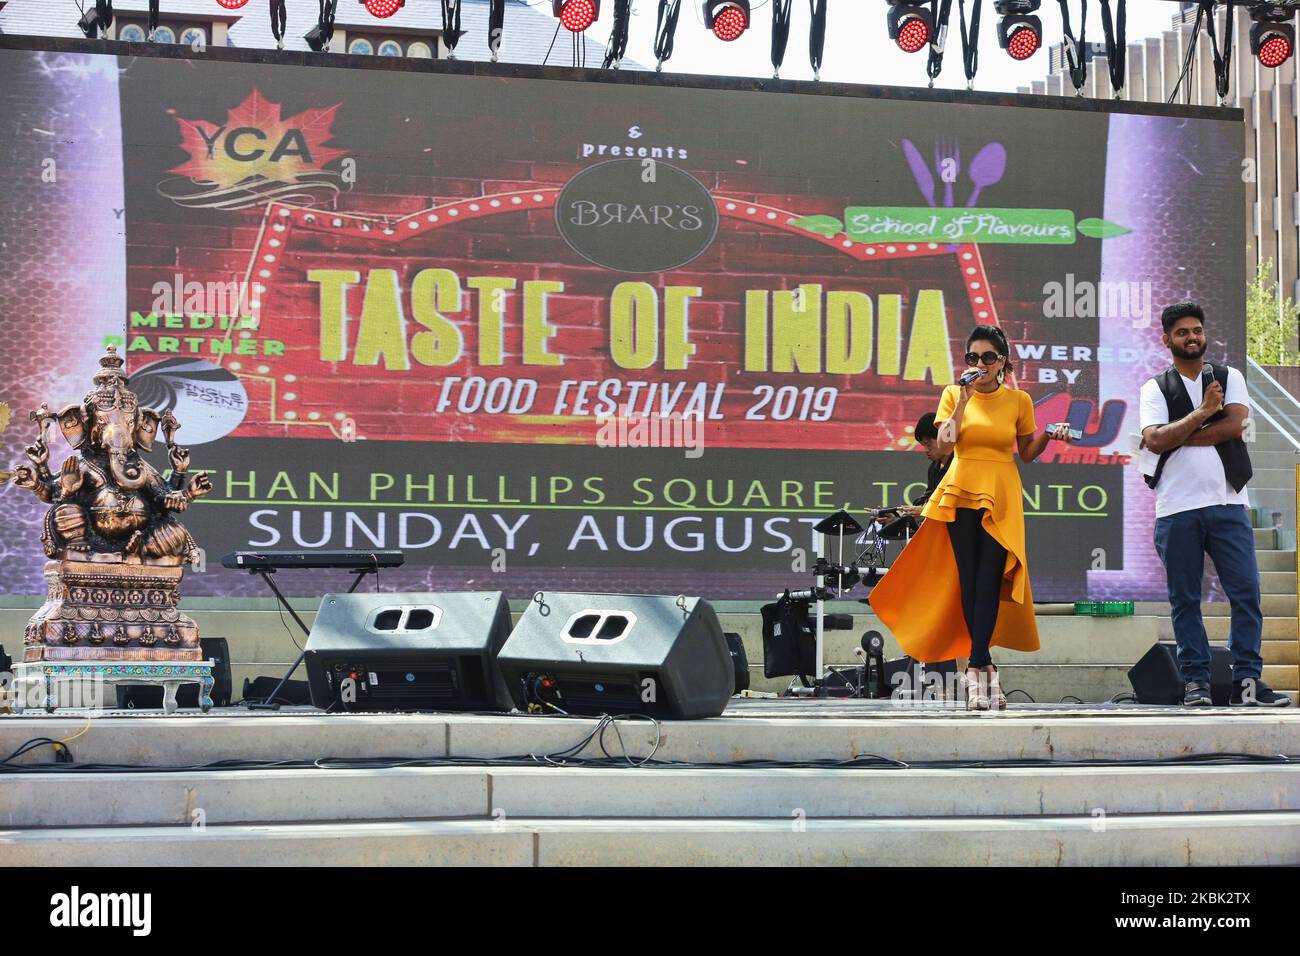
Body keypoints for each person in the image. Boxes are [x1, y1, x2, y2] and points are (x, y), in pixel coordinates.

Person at [869, 325, 1072, 710]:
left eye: (988, 358)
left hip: (1001, 493)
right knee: (968, 581)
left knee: (990, 579)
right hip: (961, 490)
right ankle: (981, 667)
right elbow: (945, 442)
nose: (980, 365)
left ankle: (979, 664)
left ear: (1003, 362)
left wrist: (1050, 434)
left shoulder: (1019, 400)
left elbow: (1026, 452)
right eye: (972, 358)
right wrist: (962, 400)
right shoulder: (951, 394)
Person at [1139, 302, 1290, 707]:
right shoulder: (1155, 388)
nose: (1192, 337)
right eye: (1183, 331)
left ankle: (1247, 683)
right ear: (1167, 339)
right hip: (1176, 508)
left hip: (1228, 503)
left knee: (1247, 594)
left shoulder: (1229, 377)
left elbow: (1235, 426)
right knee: (1185, 600)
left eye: (1197, 330)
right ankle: (1196, 683)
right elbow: (1154, 440)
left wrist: (1180, 431)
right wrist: (1205, 412)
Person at [898, 411, 951, 517]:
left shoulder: (960, 466)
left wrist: (924, 511)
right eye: (923, 445)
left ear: (944, 436)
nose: (926, 450)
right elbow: (928, 500)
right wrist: (897, 516)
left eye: (928, 443)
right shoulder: (933, 468)